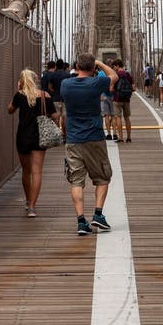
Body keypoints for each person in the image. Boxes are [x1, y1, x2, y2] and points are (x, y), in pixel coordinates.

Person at [61, 54, 118, 236]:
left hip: (73, 139)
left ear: (77, 66)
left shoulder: (65, 84)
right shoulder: (96, 83)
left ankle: (81, 222)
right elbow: (114, 76)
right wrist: (99, 63)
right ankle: (98, 215)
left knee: (76, 181)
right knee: (102, 177)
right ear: (93, 68)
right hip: (94, 138)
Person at [8, 68, 59, 218]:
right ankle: (32, 207)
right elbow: (55, 116)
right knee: (37, 172)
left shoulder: (19, 95)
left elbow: (10, 110)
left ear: (22, 81)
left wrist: (18, 90)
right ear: (35, 80)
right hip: (39, 137)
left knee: (26, 171)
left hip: (23, 136)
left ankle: (28, 200)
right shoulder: (44, 96)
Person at [112, 58, 135, 142]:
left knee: (118, 117)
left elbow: (111, 89)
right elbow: (134, 88)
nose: (113, 68)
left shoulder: (115, 75)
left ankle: (121, 138)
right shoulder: (128, 74)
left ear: (117, 66)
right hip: (126, 99)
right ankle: (129, 137)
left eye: (114, 66)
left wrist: (116, 90)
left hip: (117, 99)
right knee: (127, 118)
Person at [47, 58, 71, 138]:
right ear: (63, 66)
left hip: (55, 98)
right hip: (65, 99)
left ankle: (57, 136)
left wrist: (55, 92)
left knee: (56, 118)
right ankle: (65, 135)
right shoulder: (67, 75)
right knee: (65, 117)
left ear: (56, 66)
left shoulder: (53, 75)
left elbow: (50, 87)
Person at [97, 65, 114, 140]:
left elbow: (98, 85)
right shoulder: (112, 73)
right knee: (113, 116)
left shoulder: (100, 74)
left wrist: (100, 94)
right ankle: (115, 134)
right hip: (112, 96)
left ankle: (109, 134)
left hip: (103, 96)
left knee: (106, 115)